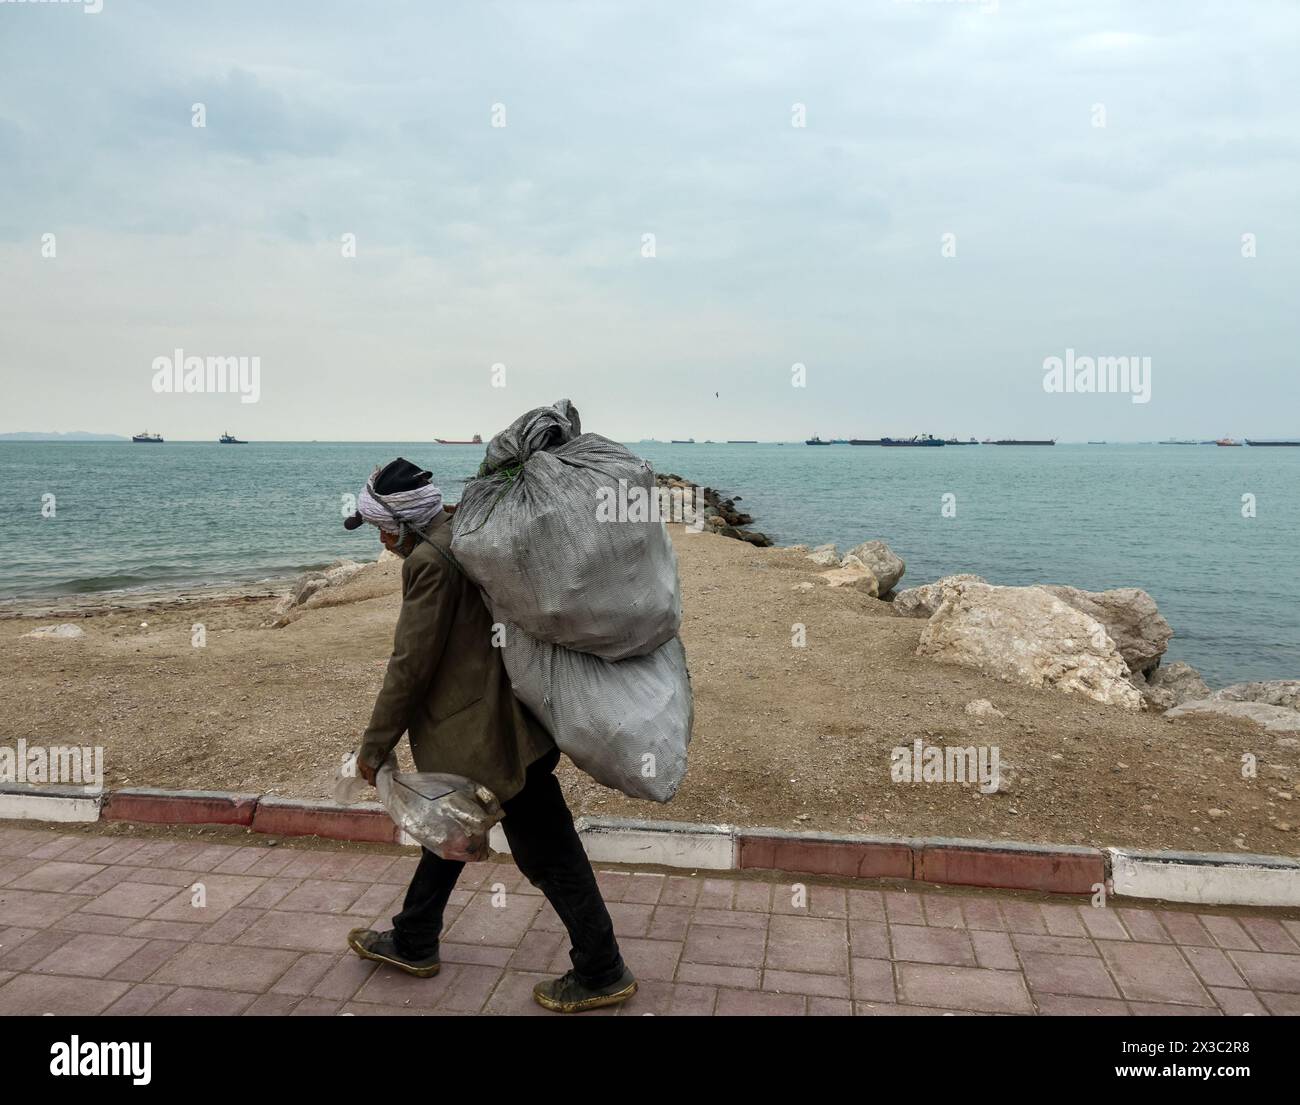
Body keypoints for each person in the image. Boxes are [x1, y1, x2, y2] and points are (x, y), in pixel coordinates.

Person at [341, 457, 636, 1013]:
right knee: (449, 825)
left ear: (403, 523)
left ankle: (602, 969)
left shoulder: (431, 562)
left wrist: (375, 744)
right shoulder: (460, 535)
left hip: (495, 740)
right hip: (512, 722)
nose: (380, 541)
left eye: (382, 527)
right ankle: (413, 938)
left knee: (550, 856)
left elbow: (411, 663)